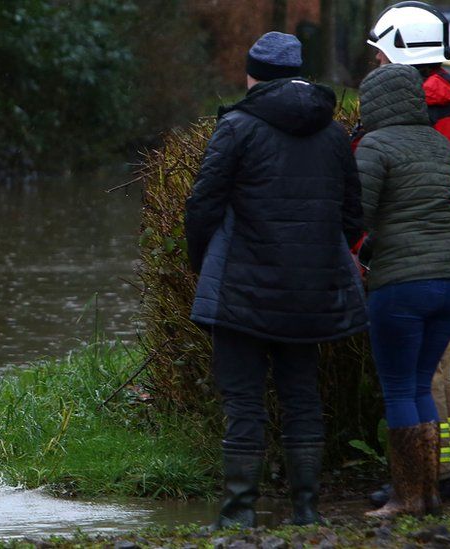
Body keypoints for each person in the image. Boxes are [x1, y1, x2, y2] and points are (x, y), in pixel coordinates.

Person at [186, 32, 367, 528]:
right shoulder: (332, 132)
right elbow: (353, 213)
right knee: (302, 395)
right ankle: (306, 509)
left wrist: (202, 263)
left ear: (253, 75)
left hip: (242, 288)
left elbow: (203, 204)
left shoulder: (238, 127)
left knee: (244, 398)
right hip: (310, 292)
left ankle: (239, 512)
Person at [354, 63, 450, 518]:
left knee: (400, 388)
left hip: (402, 283)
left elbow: (357, 216)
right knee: (422, 385)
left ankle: (406, 496)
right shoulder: (439, 144)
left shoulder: (377, 145)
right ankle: (429, 492)